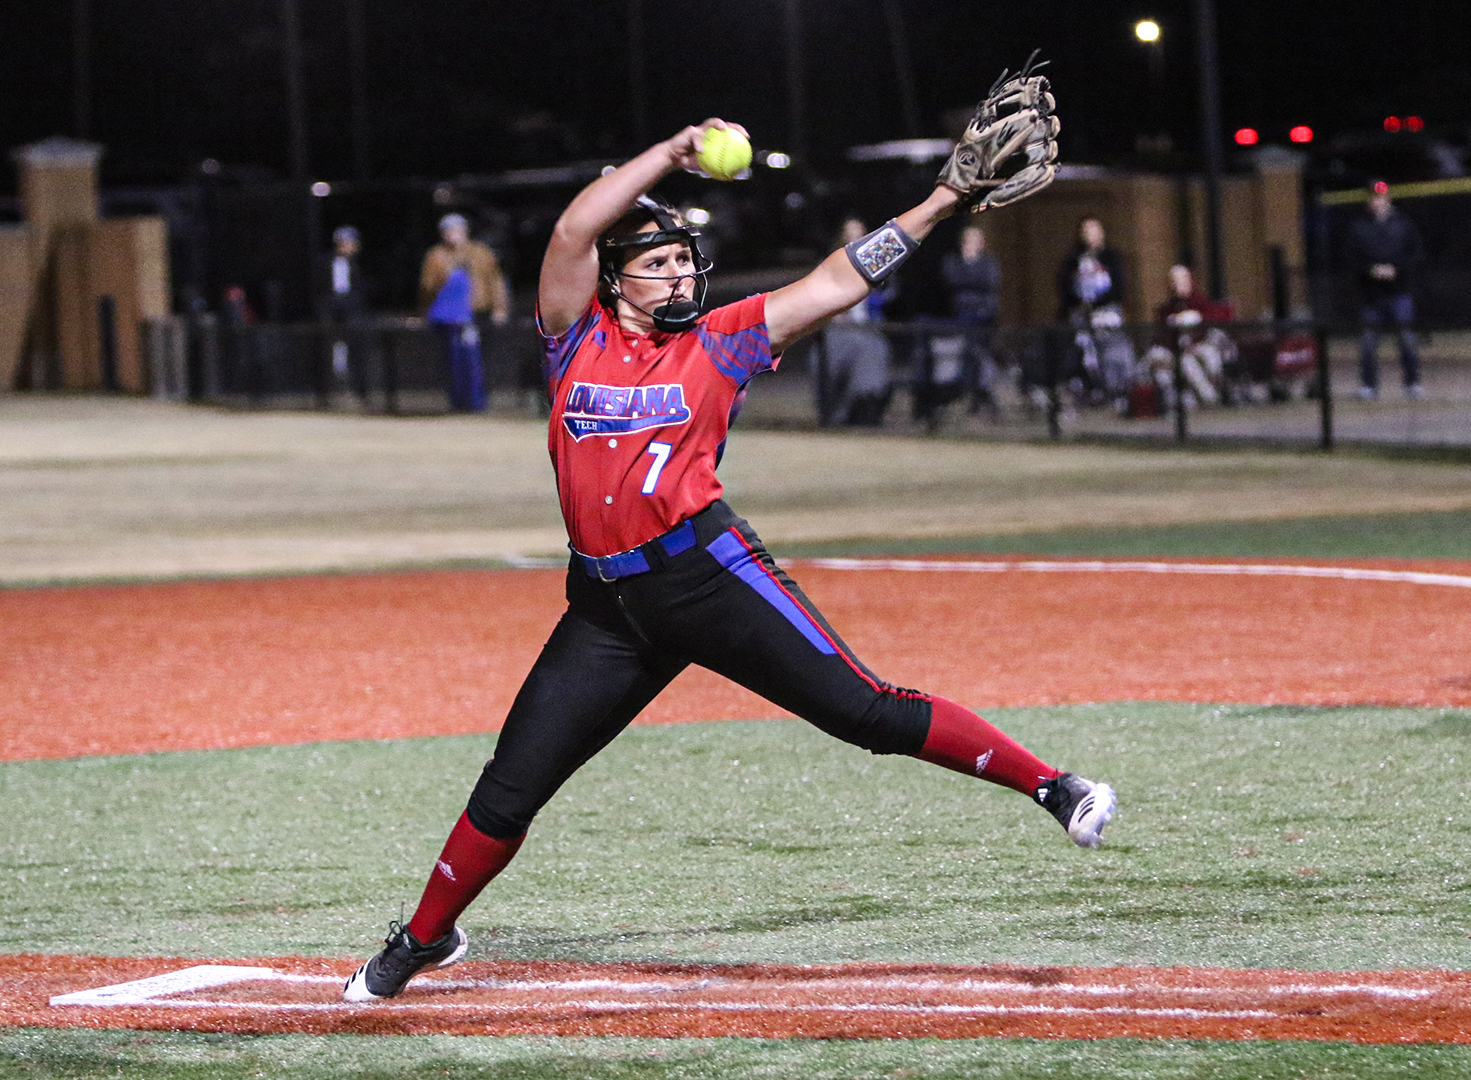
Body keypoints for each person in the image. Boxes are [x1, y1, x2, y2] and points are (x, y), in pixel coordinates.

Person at [345, 99, 1117, 1003]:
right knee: (510, 787)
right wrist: (673, 151)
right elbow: (573, 226)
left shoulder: (723, 337)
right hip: (604, 608)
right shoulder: (572, 340)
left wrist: (943, 200)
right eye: (659, 264)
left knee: (863, 712)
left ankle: (1054, 786)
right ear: (614, 283)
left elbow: (838, 280)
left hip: (707, 574)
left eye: (685, 261)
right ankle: (425, 938)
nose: (680, 276)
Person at [419, 212, 509, 412]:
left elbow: (495, 281)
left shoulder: (480, 252)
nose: (452, 235)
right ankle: (458, 402)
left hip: (477, 312)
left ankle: (478, 402)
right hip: (449, 318)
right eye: (447, 231)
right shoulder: (436, 255)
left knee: (477, 360)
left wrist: (500, 308)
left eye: (456, 230)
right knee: (453, 361)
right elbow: (426, 287)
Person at [1345, 181, 1425, 400]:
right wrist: (1372, 270)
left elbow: (1414, 255)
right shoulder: (1359, 227)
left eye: (1381, 197)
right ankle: (1369, 385)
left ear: (1388, 199)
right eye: (1374, 197)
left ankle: (1412, 382)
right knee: (1368, 341)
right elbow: (1353, 259)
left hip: (1399, 291)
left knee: (1406, 338)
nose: (1377, 201)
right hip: (1371, 294)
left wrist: (1395, 269)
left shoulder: (1403, 224)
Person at [819, 217, 895, 426]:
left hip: (867, 328)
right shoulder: (831, 263)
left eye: (859, 232)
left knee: (872, 362)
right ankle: (836, 415)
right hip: (840, 329)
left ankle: (865, 413)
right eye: (850, 233)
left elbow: (890, 290)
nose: (855, 238)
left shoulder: (876, 258)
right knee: (833, 364)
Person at [1056, 217, 1136, 408]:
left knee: (1112, 352)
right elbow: (1064, 286)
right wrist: (1080, 305)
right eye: (1085, 230)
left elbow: (1118, 287)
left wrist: (1097, 304)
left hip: (1106, 313)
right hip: (1080, 315)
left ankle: (1117, 391)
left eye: (1093, 230)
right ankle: (1090, 391)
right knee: (1083, 351)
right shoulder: (1072, 259)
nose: (1088, 235)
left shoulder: (1111, 257)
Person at [1142, 264, 1238, 409]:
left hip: (1200, 346)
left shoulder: (1200, 301)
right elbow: (1161, 337)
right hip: (1174, 352)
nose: (1177, 285)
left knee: (1208, 357)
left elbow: (1214, 322)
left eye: (1182, 280)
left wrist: (1197, 319)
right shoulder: (1166, 309)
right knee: (1184, 362)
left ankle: (1211, 396)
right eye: (1174, 281)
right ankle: (1207, 398)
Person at [934, 224, 1003, 420]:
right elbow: (951, 280)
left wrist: (968, 278)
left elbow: (990, 282)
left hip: (984, 318)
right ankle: (963, 393)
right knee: (962, 355)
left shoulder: (989, 262)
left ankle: (982, 394)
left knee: (980, 356)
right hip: (960, 316)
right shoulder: (952, 260)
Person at [324, 226, 369, 389]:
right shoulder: (327, 261)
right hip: (333, 309)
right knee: (335, 346)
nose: (348, 246)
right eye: (344, 242)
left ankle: (359, 388)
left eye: (350, 242)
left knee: (357, 349)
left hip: (354, 310)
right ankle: (334, 387)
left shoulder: (360, 263)